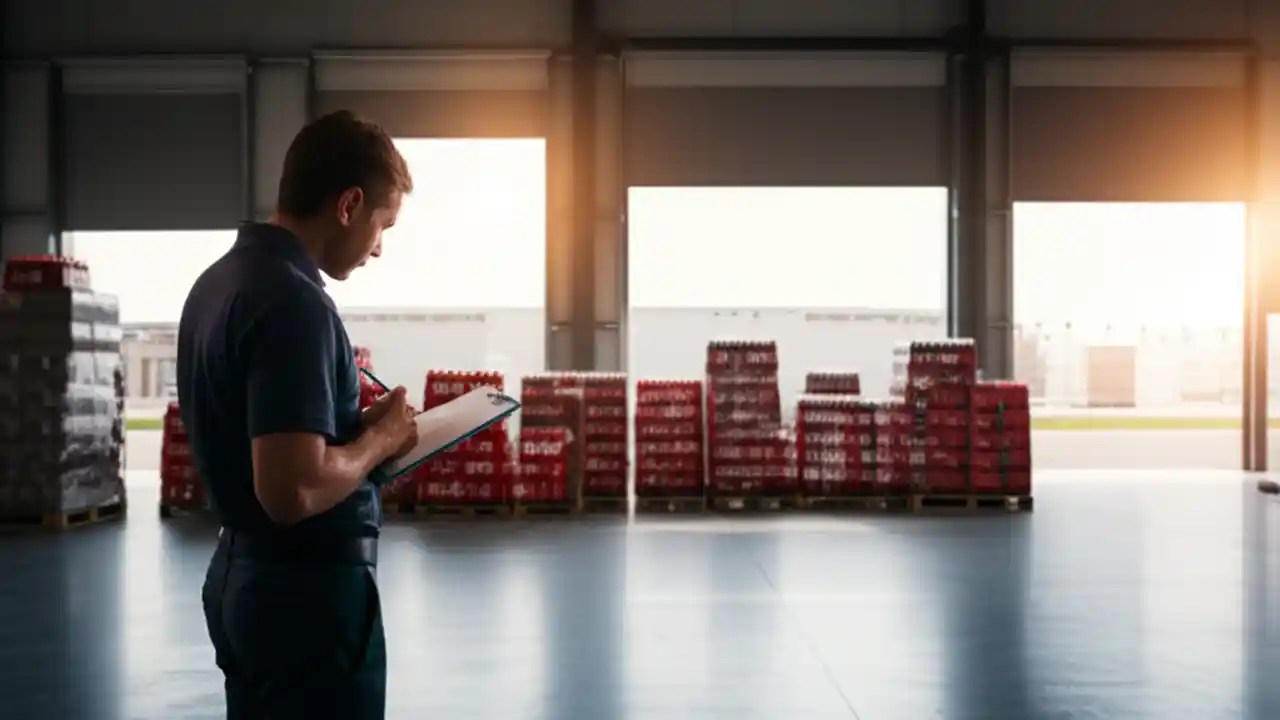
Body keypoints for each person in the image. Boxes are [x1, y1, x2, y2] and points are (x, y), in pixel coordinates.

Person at [176, 110, 417, 719]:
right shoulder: (295, 303)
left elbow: (266, 437)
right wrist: (381, 441)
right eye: (382, 225)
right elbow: (293, 488)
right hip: (305, 603)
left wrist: (351, 429)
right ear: (348, 205)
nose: (380, 249)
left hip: (244, 577)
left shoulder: (219, 283)